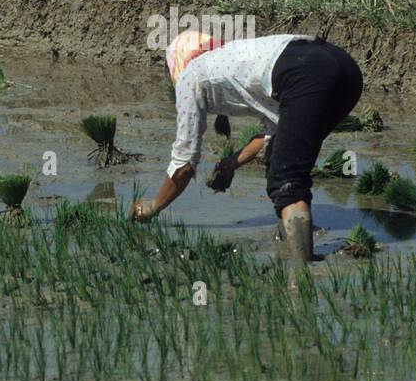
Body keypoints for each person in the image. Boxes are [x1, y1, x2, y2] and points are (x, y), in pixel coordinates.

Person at [131, 31, 363, 262]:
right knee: (281, 155)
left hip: (306, 72)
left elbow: (184, 164)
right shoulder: (235, 59)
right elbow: (274, 131)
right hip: (345, 70)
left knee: (286, 179)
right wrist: (231, 164)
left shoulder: (189, 77)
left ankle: (302, 272)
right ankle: (298, 237)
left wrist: (153, 206)